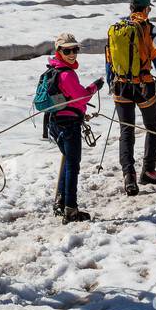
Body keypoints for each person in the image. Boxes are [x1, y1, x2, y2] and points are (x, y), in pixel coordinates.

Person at [105, 0, 156, 197]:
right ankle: (148, 171)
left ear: (131, 9)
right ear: (147, 9)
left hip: (121, 87)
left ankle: (128, 177)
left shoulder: (116, 29)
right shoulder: (151, 30)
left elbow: (109, 61)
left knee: (126, 131)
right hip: (144, 87)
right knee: (153, 127)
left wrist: (111, 83)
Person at [45, 32, 103, 224]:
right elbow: (82, 97)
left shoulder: (52, 70)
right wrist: (95, 87)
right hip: (68, 125)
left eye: (75, 49)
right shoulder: (67, 74)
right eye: (67, 50)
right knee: (72, 165)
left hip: (55, 123)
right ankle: (71, 209)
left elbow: (71, 99)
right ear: (58, 51)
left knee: (68, 162)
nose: (72, 54)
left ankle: (61, 202)